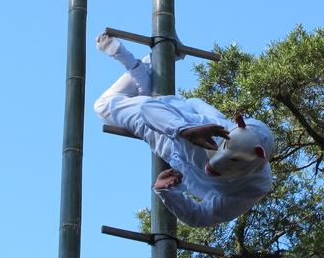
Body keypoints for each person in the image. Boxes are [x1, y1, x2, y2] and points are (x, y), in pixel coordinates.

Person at [93, 32, 274, 228]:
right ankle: (137, 61)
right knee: (103, 105)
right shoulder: (217, 128)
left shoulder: (255, 186)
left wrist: (167, 193)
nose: (212, 167)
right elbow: (150, 109)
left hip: (155, 135)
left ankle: (155, 60)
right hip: (162, 114)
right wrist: (184, 129)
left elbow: (201, 216)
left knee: (131, 97)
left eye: (231, 166)